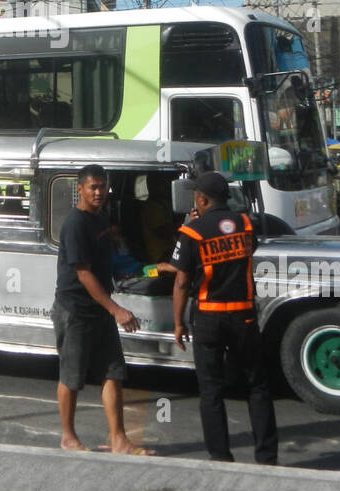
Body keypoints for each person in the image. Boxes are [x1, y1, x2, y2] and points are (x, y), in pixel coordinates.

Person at [171, 170, 278, 465]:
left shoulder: (192, 231)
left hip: (209, 318)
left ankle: (220, 456)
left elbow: (181, 282)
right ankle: (267, 457)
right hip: (243, 316)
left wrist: (178, 322)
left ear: (201, 199)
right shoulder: (245, 224)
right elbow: (248, 250)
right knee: (257, 387)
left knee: (211, 391)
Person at [53, 164, 154, 455]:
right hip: (75, 310)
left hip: (99, 309)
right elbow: (83, 274)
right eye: (93, 187)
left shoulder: (102, 221)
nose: (99, 192)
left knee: (113, 372)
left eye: (102, 186)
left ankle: (119, 439)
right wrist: (117, 310)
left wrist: (152, 270)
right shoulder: (75, 224)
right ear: (80, 189)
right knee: (71, 377)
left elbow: (112, 264)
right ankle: (68, 437)